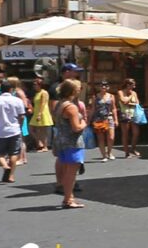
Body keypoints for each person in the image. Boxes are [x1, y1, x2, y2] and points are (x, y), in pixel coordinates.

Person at [51, 79, 89, 209]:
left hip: (61, 139)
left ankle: (69, 197)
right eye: (78, 88)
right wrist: (84, 122)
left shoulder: (59, 104)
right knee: (71, 173)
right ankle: (68, 199)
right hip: (72, 142)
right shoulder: (71, 107)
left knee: (67, 169)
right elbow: (76, 128)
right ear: (72, 91)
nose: (79, 90)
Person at [0, 78, 27, 184]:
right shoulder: (18, 101)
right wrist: (20, 126)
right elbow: (21, 116)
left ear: (1, 90)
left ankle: (5, 166)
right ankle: (11, 175)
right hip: (14, 130)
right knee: (14, 153)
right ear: (11, 89)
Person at [89, 80, 115, 162]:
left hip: (109, 117)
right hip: (98, 118)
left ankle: (109, 152)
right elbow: (93, 108)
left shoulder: (111, 96)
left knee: (111, 137)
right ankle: (104, 155)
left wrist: (116, 119)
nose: (103, 87)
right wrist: (89, 119)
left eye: (105, 85)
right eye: (101, 85)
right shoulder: (95, 97)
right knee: (101, 138)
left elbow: (113, 108)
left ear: (108, 87)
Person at [28, 72, 52, 152]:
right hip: (36, 112)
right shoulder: (37, 93)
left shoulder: (44, 92)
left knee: (42, 131)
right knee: (32, 128)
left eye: (35, 84)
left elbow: (43, 104)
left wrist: (39, 114)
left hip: (42, 112)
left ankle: (44, 146)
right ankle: (41, 143)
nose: (34, 86)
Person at [116, 78, 141, 158]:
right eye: (133, 85)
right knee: (125, 134)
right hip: (125, 114)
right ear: (128, 85)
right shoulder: (120, 92)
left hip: (134, 114)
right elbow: (123, 101)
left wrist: (129, 102)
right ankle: (126, 152)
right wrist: (130, 97)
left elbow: (137, 103)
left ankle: (133, 148)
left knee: (136, 133)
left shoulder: (134, 93)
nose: (134, 87)